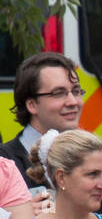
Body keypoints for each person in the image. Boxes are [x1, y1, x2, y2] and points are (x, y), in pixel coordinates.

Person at [2, 52, 84, 185]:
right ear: (32, 105)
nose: (73, 102)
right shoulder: (5, 162)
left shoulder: (88, 158)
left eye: (76, 91)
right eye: (58, 93)